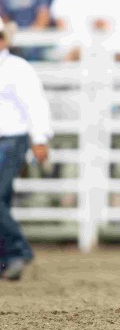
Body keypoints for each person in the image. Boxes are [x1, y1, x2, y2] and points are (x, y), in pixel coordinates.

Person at [0, 17, 52, 280]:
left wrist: (39, 138)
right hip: (8, 138)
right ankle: (9, 259)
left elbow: (35, 104)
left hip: (11, 138)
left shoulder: (18, 68)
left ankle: (18, 250)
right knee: (2, 199)